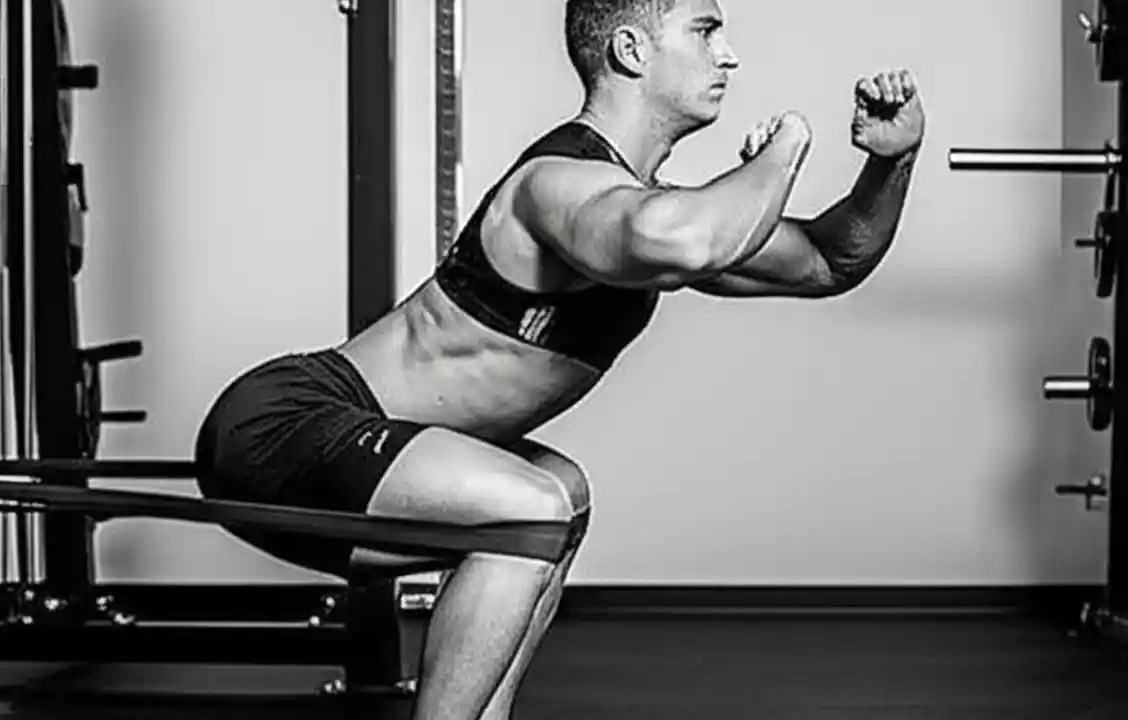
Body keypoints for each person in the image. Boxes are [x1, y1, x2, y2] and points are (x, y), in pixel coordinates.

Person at [193, 0, 926, 717]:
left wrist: (891, 164)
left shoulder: (637, 205)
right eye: (705, 31)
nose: (728, 54)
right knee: (528, 504)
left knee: (560, 491)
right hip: (285, 426)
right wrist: (788, 145)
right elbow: (686, 239)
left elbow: (832, 261)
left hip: (355, 453)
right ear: (632, 51)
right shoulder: (559, 184)